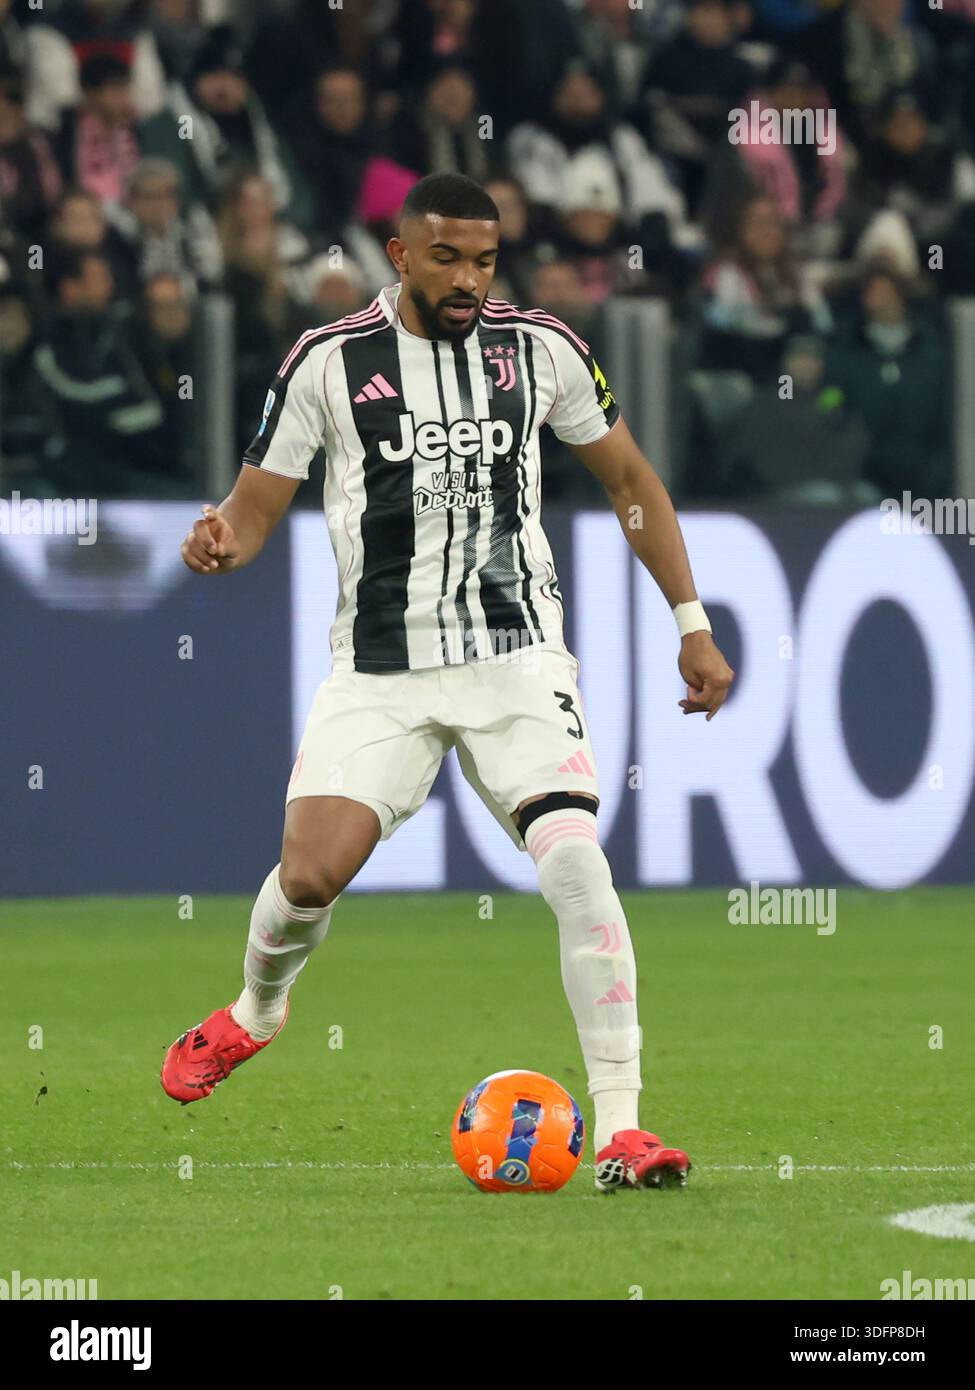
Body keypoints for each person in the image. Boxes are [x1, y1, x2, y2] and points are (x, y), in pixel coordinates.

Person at [161, 173, 734, 1193]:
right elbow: (252, 509)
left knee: (574, 861)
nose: (470, 280)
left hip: (515, 653)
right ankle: (255, 1012)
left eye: (485, 260)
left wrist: (691, 622)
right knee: (307, 878)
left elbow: (631, 483)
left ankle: (624, 1129)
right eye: (448, 259)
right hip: (381, 664)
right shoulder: (327, 364)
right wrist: (221, 539)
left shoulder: (541, 349)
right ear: (399, 255)